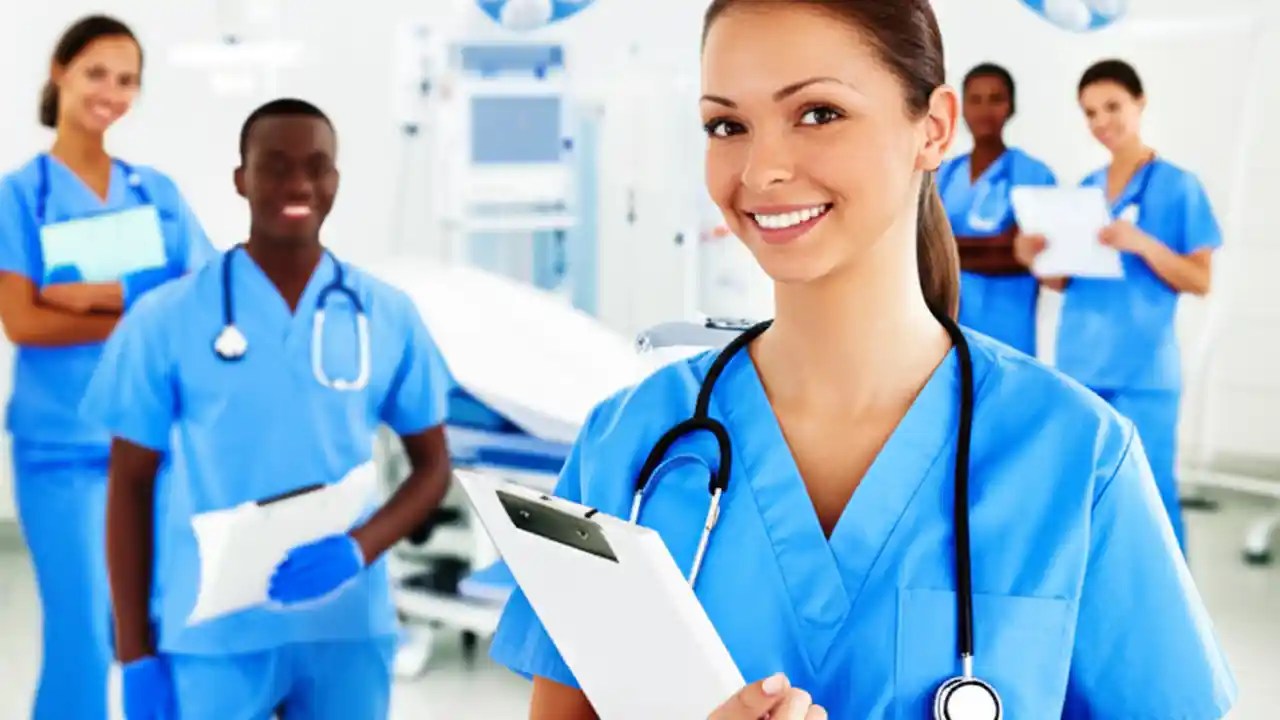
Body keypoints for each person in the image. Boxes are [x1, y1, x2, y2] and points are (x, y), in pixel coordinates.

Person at [488, 2, 1237, 718]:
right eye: (727, 124)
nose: (760, 170)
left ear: (933, 128)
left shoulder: (1077, 457)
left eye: (818, 113)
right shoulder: (631, 447)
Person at [79, 98, 454, 719]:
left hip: (346, 626)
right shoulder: (167, 318)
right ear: (241, 178)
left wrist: (359, 549)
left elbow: (433, 468)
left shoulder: (387, 315)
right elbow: (130, 485)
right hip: (212, 633)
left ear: (336, 180)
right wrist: (134, 649)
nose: (298, 183)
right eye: (275, 166)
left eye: (316, 166)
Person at [0, 15, 214, 719]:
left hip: (153, 447)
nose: (112, 93)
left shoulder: (156, 193)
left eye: (127, 81)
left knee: (156, 626)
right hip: (60, 449)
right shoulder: (20, 195)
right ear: (59, 70)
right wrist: (143, 301)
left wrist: (96, 296)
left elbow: (204, 302)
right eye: (97, 73)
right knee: (87, 628)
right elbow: (24, 320)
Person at [1014, 59, 1221, 554]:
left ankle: (1171, 619)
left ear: (1140, 103)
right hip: (1082, 362)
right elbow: (1065, 281)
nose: (1102, 122)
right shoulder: (1084, 189)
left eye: (1112, 107)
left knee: (1150, 497)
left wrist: (1142, 243)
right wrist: (1035, 258)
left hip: (1143, 371)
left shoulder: (1179, 186)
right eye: (1090, 113)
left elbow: (1199, 279)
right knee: (1087, 494)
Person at [937, 63, 1056, 356]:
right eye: (975, 100)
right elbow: (921, 246)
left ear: (1011, 107)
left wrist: (949, 249)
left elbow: (1026, 255)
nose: (985, 109)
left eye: (996, 99)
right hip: (947, 327)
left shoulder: (1034, 174)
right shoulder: (943, 174)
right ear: (961, 108)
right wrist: (998, 247)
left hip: (1009, 330)